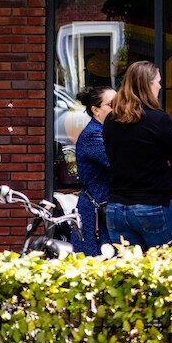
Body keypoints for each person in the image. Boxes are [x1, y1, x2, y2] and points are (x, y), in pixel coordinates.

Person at [102, 62, 172, 250]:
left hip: (117, 206)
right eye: (158, 82)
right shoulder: (159, 119)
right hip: (154, 203)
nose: (160, 86)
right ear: (147, 85)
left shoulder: (111, 120)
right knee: (168, 264)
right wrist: (166, 165)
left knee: (129, 267)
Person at [73, 85, 114, 256]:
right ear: (95, 110)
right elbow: (116, 163)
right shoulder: (93, 135)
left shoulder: (107, 131)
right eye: (111, 105)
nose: (118, 108)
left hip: (104, 205)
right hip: (95, 208)